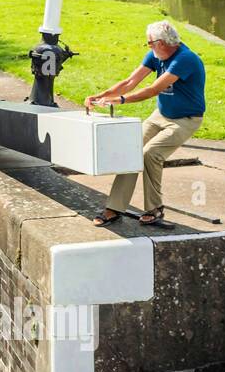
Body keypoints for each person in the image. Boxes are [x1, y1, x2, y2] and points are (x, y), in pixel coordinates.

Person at [86, 20, 206, 228]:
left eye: (149, 43)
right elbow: (130, 82)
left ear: (160, 42)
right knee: (131, 151)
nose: (148, 47)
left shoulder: (185, 59)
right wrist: (101, 96)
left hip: (185, 120)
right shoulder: (156, 54)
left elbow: (153, 90)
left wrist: (122, 100)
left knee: (150, 154)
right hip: (161, 114)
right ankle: (114, 208)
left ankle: (155, 208)